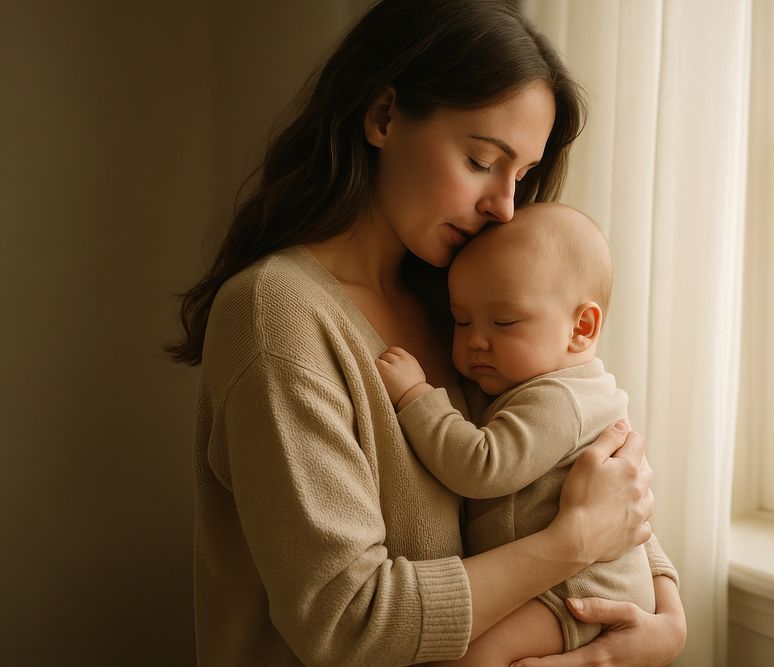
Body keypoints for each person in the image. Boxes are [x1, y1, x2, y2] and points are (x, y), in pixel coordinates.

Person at [167, 0, 687, 664]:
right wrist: (569, 544)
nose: (504, 203)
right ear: (384, 117)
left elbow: (586, 461)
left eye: (521, 176)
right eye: (481, 160)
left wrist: (667, 618)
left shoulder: (465, 307)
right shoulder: (277, 316)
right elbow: (348, 621)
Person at [377, 202, 672, 664]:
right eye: (462, 320)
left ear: (582, 327)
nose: (476, 339)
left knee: (471, 660)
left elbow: (481, 466)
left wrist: (417, 397)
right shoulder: (535, 384)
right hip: (560, 583)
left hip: (576, 594)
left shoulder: (558, 400)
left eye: (505, 322)